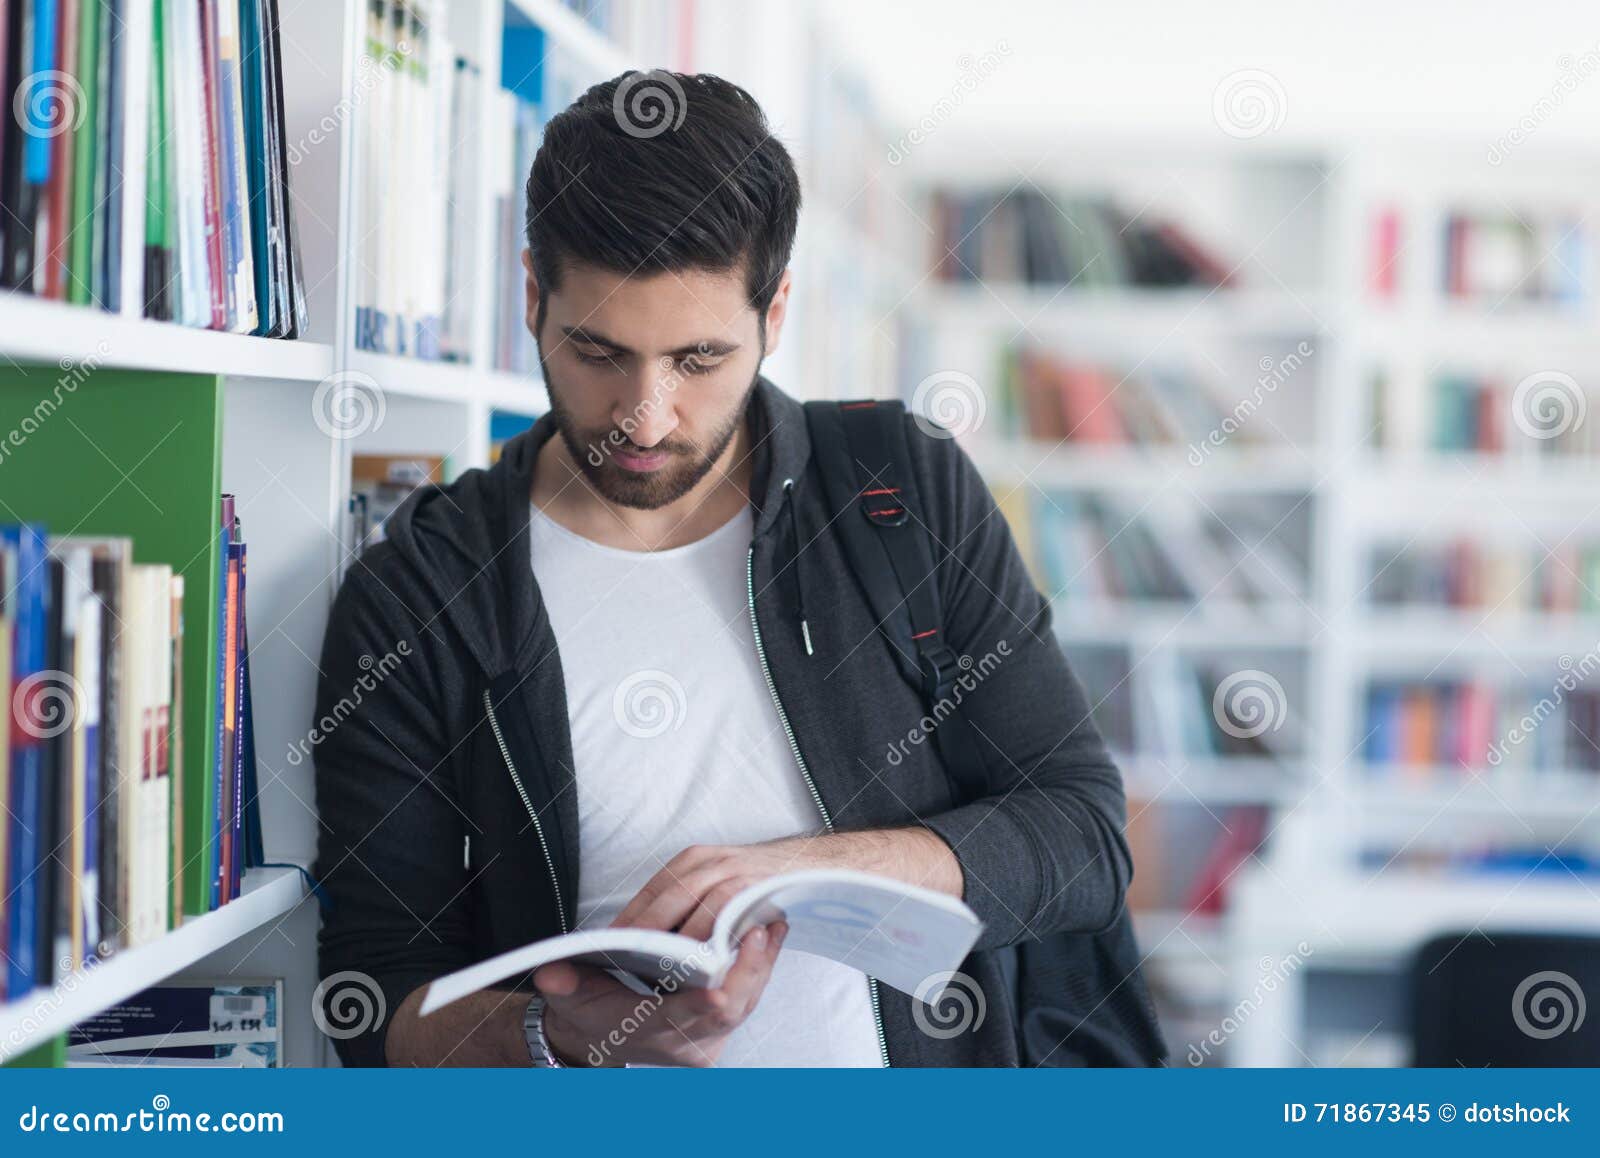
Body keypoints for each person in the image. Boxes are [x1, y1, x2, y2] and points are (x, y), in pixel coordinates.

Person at [312, 70, 1140, 1067]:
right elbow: (372, 989)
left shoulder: (899, 490)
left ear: (775, 314)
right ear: (531, 295)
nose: (644, 417)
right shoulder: (422, 590)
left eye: (698, 360)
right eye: (597, 352)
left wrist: (828, 868)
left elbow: (1082, 834)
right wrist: (555, 1033)